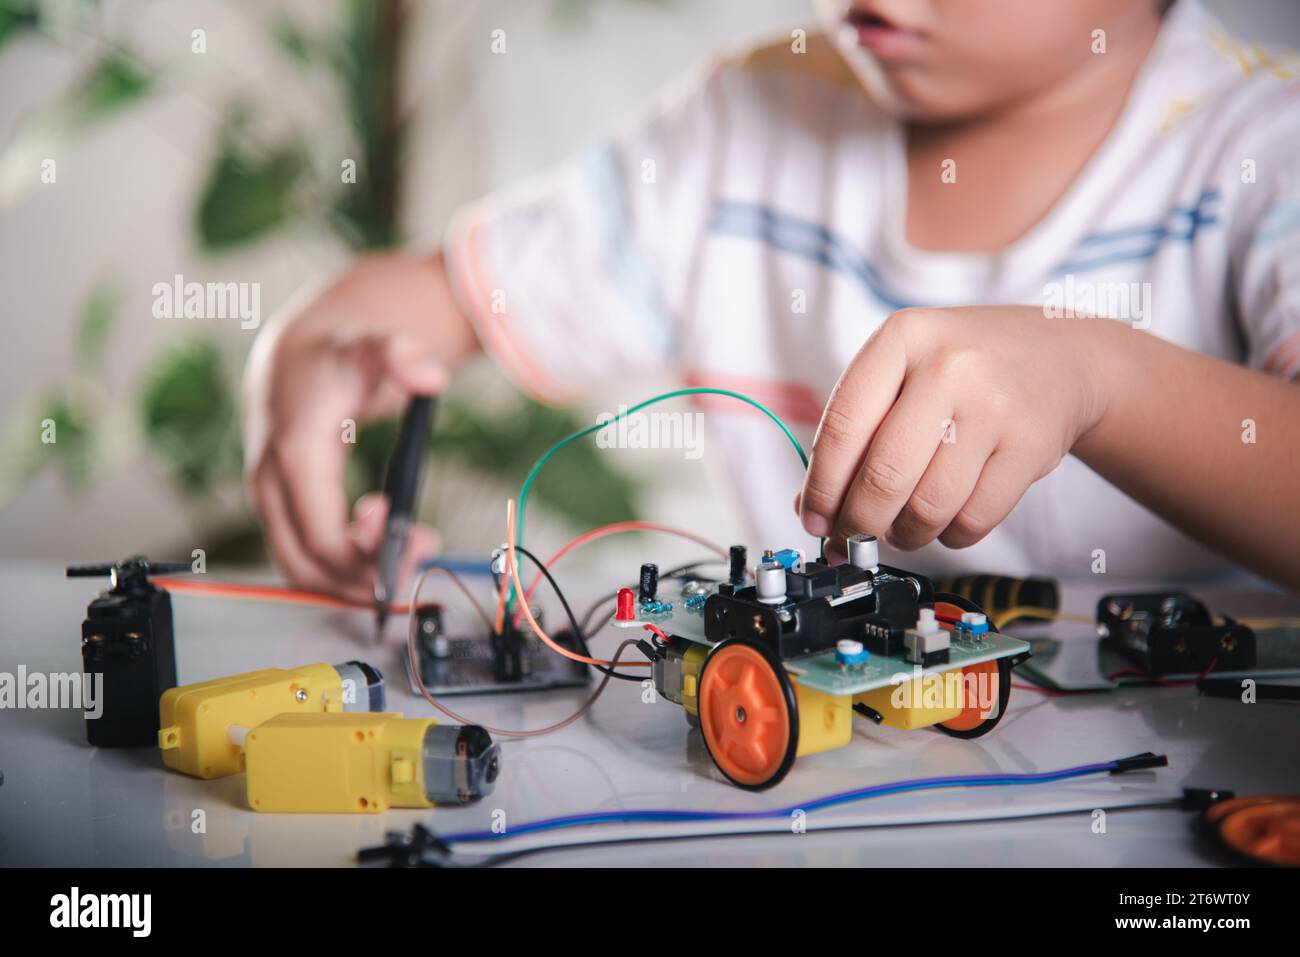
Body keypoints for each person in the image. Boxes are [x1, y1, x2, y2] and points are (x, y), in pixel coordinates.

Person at [242, 0, 1300, 605]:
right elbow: (419, 307)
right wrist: (302, 356)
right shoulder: (738, 130)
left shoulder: (1266, 150)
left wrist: (1099, 378)